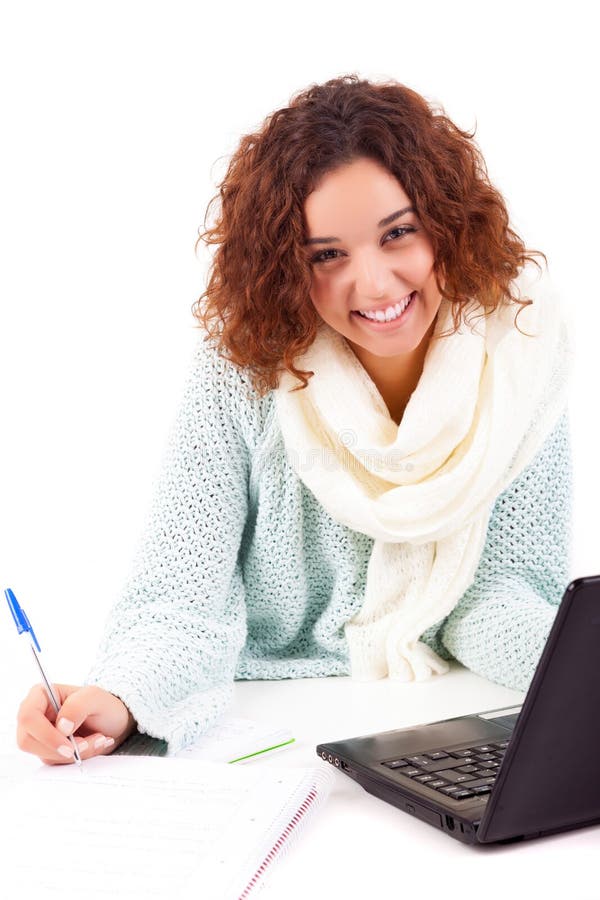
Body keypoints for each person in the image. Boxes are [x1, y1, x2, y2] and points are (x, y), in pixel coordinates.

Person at [15, 74, 572, 765]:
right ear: (284, 266)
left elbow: (499, 596)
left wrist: (580, 673)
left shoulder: (519, 355)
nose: (373, 284)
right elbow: (181, 596)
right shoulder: (243, 369)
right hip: (271, 729)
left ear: (448, 223)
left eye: (398, 234)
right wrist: (123, 697)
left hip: (441, 719)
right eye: (327, 256)